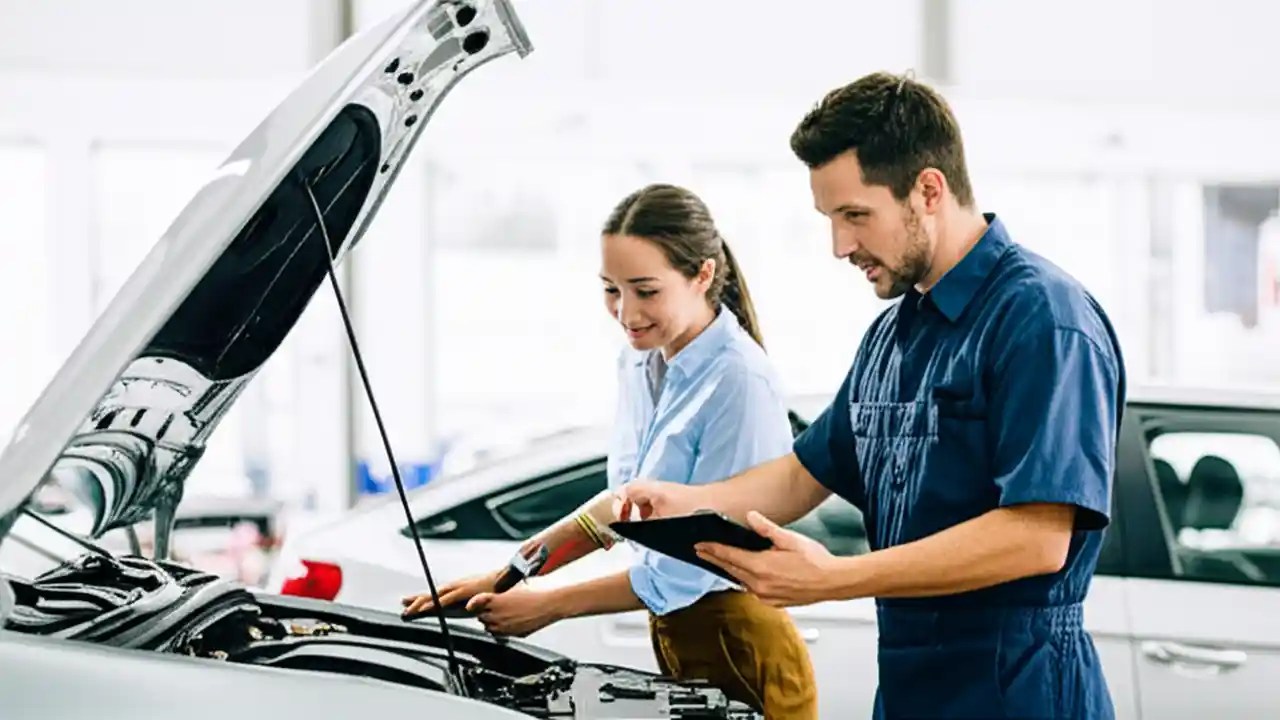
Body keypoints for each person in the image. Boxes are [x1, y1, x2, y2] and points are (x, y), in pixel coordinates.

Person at [615, 72, 1125, 720]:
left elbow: (1036, 537)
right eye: (831, 219)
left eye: (856, 215)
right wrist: (689, 501)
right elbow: (804, 474)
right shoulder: (891, 337)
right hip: (912, 690)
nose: (840, 246)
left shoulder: (1043, 321)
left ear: (929, 191)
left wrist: (835, 578)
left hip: (1018, 690)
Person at [401, 183, 819, 719]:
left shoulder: (738, 381)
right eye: (610, 290)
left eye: (645, 291)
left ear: (702, 275)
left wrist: (548, 606)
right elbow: (622, 506)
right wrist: (509, 573)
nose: (625, 313)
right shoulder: (641, 361)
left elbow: (692, 565)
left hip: (740, 640)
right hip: (680, 634)